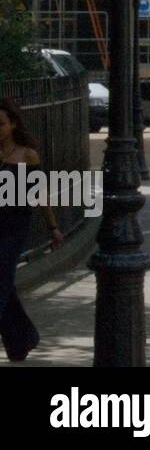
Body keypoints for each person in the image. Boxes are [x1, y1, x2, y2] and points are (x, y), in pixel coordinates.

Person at [1, 99, 63, 362]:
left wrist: (54, 228)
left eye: (1, 124)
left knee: (2, 278)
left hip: (14, 225)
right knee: (4, 285)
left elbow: (39, 194)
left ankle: (21, 337)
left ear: (13, 124)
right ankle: (22, 337)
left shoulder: (27, 155)